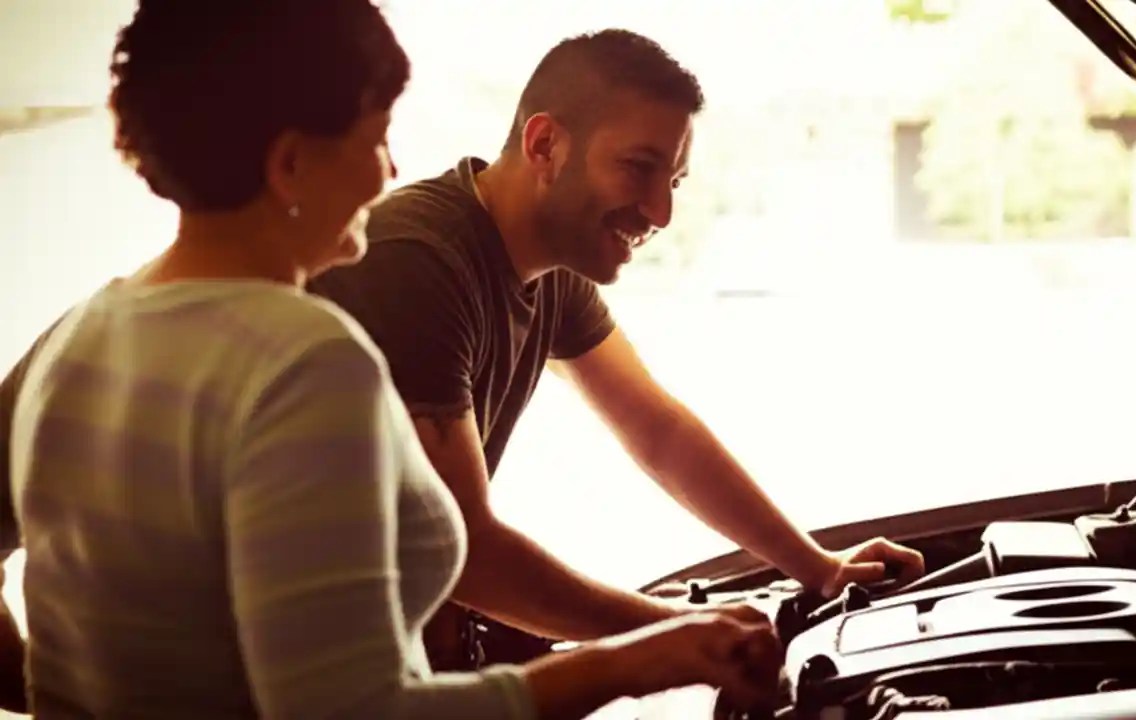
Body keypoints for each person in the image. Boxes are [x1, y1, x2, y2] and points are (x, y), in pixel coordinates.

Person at [4, 1, 782, 717]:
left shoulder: (76, 339)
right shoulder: (306, 363)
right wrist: (636, 661)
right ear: (290, 165)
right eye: (376, 138)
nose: (391, 170)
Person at [304, 27, 928, 660]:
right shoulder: (418, 261)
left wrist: (818, 567)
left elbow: (658, 429)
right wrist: (676, 635)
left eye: (675, 182)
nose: (659, 212)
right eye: (639, 168)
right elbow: (466, 552)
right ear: (544, 144)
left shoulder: (549, 273)